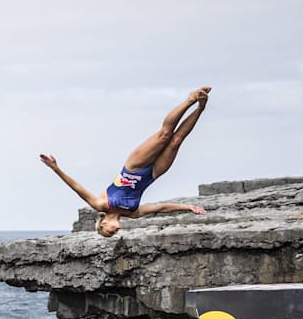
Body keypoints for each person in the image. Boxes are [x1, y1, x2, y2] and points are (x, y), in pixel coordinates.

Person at [40, 87, 211, 237]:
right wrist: (187, 207)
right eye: (114, 233)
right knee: (176, 141)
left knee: (165, 135)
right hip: (153, 174)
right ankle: (200, 107)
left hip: (134, 167)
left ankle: (191, 99)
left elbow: (77, 188)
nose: (115, 231)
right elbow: (160, 207)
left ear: (103, 224)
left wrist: (56, 169)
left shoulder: (101, 204)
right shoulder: (133, 213)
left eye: (110, 231)